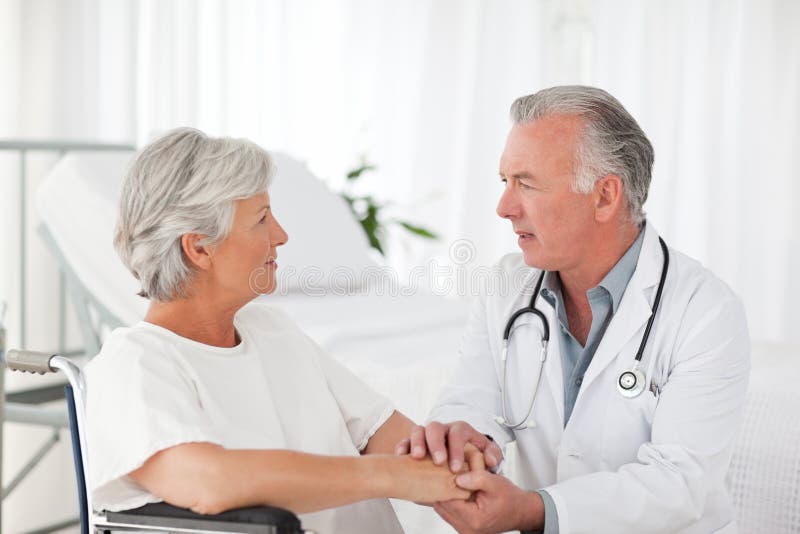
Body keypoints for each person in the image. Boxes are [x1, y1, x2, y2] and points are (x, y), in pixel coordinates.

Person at [84, 127, 483, 534]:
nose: (281, 236)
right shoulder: (134, 363)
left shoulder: (272, 329)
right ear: (200, 247)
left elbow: (383, 432)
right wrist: (390, 475)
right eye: (261, 219)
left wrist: (456, 461)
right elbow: (209, 482)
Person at [396, 86, 751, 533]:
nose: (504, 207)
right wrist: (466, 439)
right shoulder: (505, 287)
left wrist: (534, 510)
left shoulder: (706, 312)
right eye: (504, 182)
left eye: (526, 183)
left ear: (605, 196)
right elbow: (473, 397)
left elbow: (679, 484)